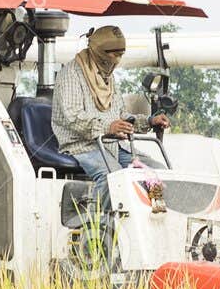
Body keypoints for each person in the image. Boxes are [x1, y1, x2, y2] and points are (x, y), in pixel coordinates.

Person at [51, 25, 169, 208]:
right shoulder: (71, 74)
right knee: (113, 178)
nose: (117, 59)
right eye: (113, 54)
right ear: (99, 52)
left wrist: (149, 121)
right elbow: (73, 118)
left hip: (113, 144)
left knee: (157, 172)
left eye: (121, 54)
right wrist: (108, 127)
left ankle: (148, 221)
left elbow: (120, 115)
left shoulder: (108, 76)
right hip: (82, 145)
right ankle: (99, 227)